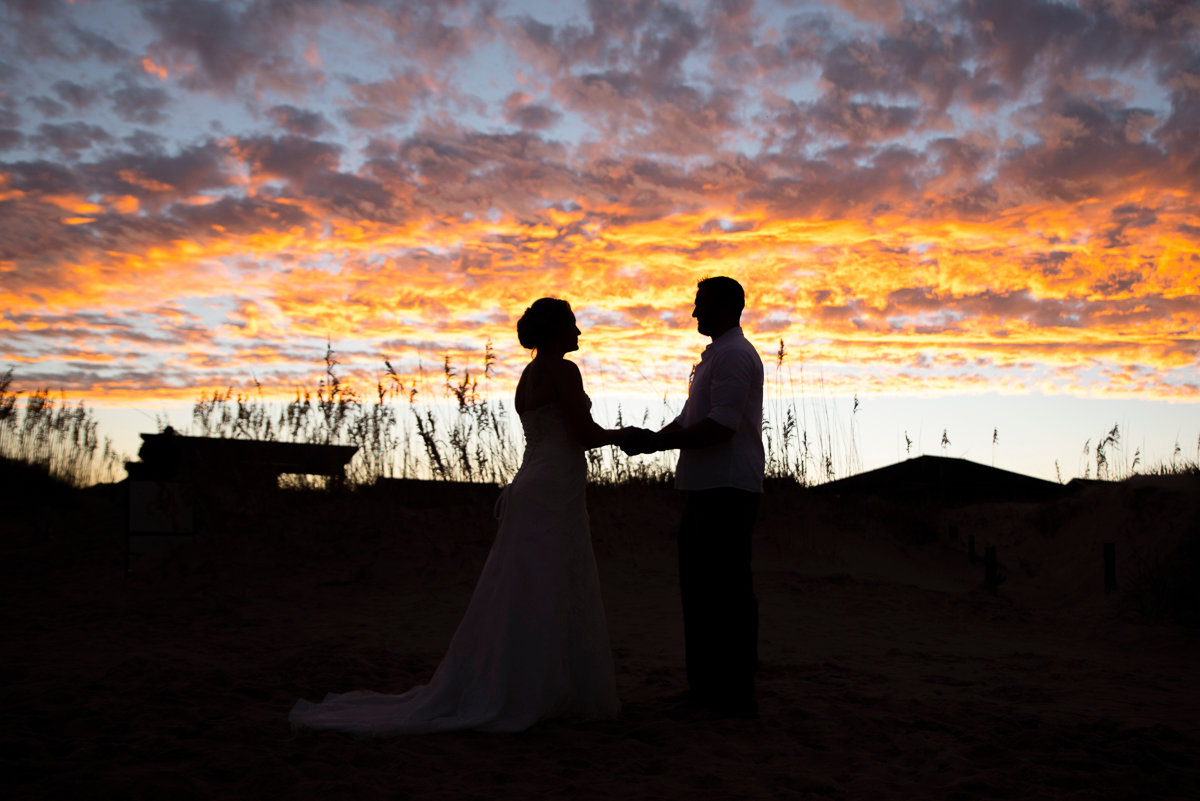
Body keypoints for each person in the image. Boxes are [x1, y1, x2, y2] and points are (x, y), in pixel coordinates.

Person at [290, 298, 627, 734]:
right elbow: (582, 434)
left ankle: (528, 684)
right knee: (553, 580)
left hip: (532, 484)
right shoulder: (564, 371)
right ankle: (544, 690)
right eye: (573, 325)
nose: (579, 332)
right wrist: (629, 436)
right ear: (555, 331)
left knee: (526, 583)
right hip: (552, 489)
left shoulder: (528, 375)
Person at [622, 276, 765, 718]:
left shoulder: (735, 356)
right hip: (705, 486)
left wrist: (656, 444)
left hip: (727, 487)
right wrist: (652, 440)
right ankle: (706, 688)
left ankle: (735, 694)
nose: (694, 312)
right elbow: (688, 420)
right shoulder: (715, 357)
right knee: (702, 592)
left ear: (725, 306)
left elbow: (721, 426)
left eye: (701, 304)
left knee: (727, 594)